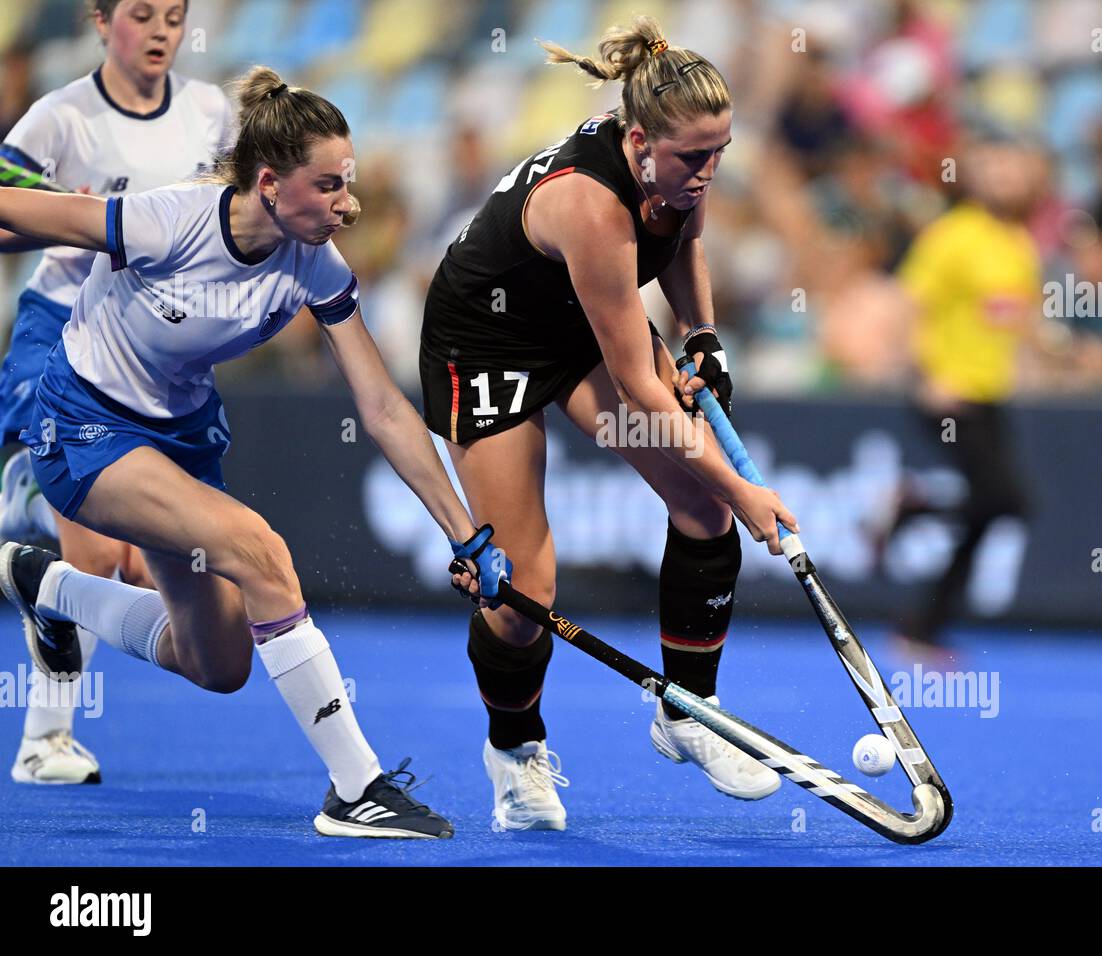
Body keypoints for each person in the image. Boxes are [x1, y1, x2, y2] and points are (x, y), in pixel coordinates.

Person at [0, 65, 512, 839]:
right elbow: (20, 210)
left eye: (350, 183)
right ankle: (357, 788)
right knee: (259, 551)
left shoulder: (317, 265)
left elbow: (381, 407)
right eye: (331, 186)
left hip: (182, 437)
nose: (352, 204)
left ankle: (50, 588)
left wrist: (465, 532)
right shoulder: (165, 221)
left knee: (218, 664)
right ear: (270, 183)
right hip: (82, 427)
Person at [420, 15, 798, 831]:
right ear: (638, 142)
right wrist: (745, 484)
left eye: (719, 156)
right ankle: (514, 753)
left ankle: (690, 714)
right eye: (694, 159)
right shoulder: (593, 209)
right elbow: (638, 383)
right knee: (525, 594)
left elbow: (683, 240)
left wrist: (702, 336)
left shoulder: (680, 163)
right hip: (486, 344)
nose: (707, 174)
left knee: (702, 511)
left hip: (577, 320)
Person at [0, 0, 231, 786]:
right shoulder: (61, 119)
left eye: (175, 15)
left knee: (133, 567)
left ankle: (31, 502)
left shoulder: (211, 114)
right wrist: (99, 225)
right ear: (101, 21)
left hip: (154, 352)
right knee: (96, 553)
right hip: (60, 328)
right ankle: (45, 740)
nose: (163, 30)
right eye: (142, 14)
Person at [881, 129, 1040, 660]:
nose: (1006, 179)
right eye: (995, 168)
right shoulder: (953, 235)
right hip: (949, 393)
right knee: (1003, 499)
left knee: (999, 503)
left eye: (1014, 168)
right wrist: (926, 373)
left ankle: (917, 512)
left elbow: (1016, 321)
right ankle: (921, 624)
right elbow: (910, 305)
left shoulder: (1019, 244)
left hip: (990, 394)